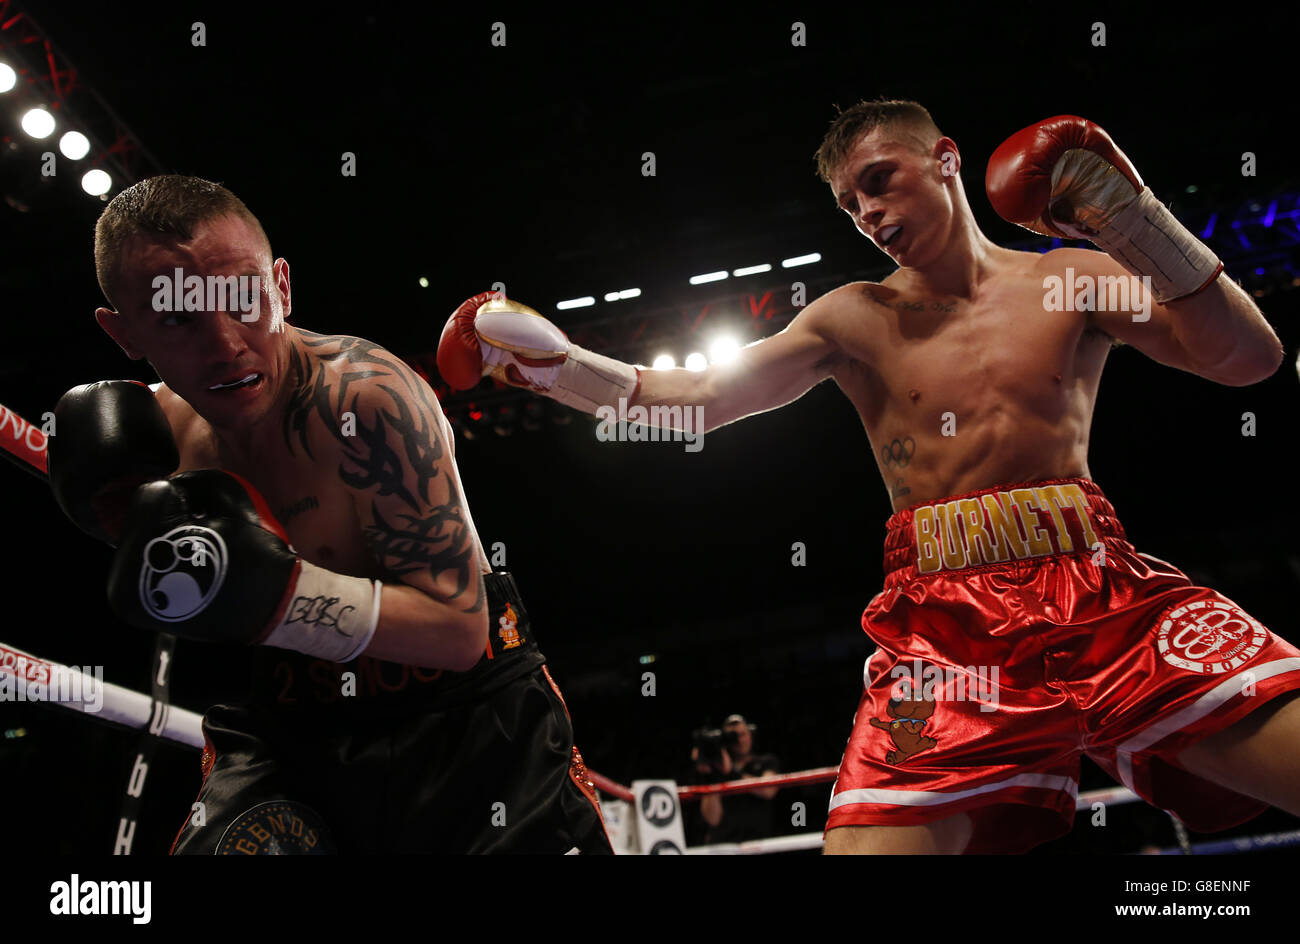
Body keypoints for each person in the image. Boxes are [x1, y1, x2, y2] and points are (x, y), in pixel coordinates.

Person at [437, 100, 1300, 854]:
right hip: (945, 631)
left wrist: (1134, 222)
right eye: (851, 204)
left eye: (881, 182)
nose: (869, 214)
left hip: (1101, 591)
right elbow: (695, 402)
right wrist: (561, 371)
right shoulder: (856, 316)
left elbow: (1249, 362)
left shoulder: (1071, 277)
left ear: (946, 158)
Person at [46, 175, 611, 854]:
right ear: (123, 330)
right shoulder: (150, 440)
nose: (226, 344)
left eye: (244, 300)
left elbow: (459, 630)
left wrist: (279, 598)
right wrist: (120, 522)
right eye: (177, 318)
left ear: (281, 286)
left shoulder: (365, 401)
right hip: (292, 729)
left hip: (468, 719)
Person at [688, 714, 781, 844]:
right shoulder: (716, 771)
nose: (739, 740)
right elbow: (712, 819)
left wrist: (732, 772)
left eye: (742, 734)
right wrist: (711, 777)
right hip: (724, 846)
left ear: (751, 735)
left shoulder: (766, 762)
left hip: (758, 845)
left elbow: (768, 790)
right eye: (733, 737)